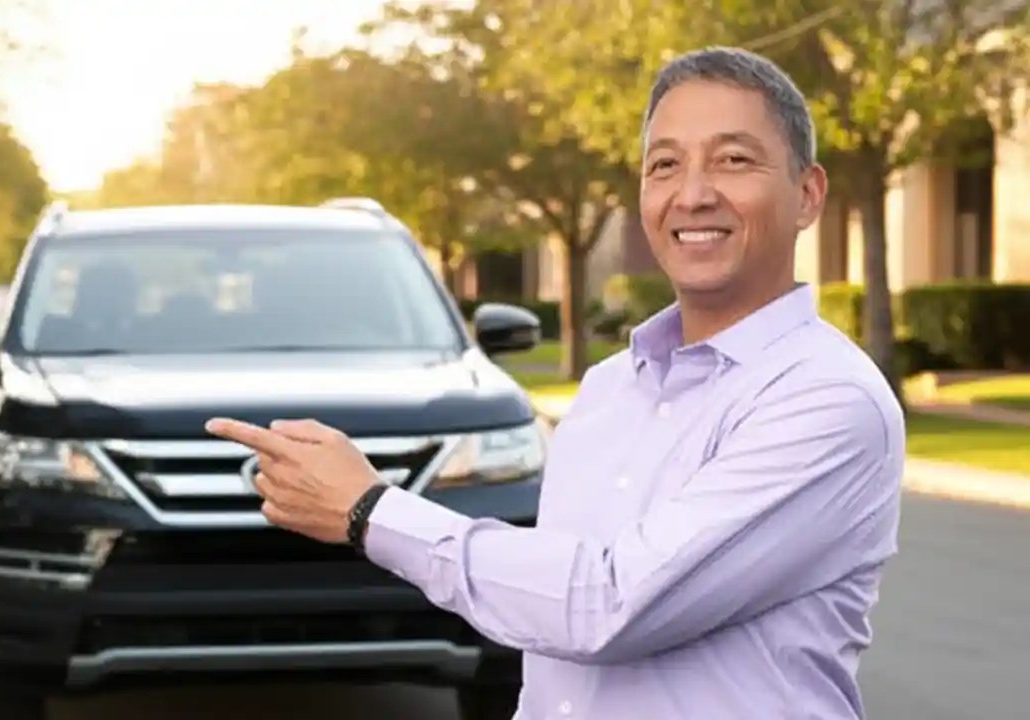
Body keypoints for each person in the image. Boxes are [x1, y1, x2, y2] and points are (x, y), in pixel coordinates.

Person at [206, 46, 906, 719]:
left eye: (733, 160)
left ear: (808, 194)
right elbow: (554, 654)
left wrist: (368, 511)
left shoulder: (827, 400)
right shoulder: (608, 391)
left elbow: (608, 606)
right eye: (665, 165)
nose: (692, 194)